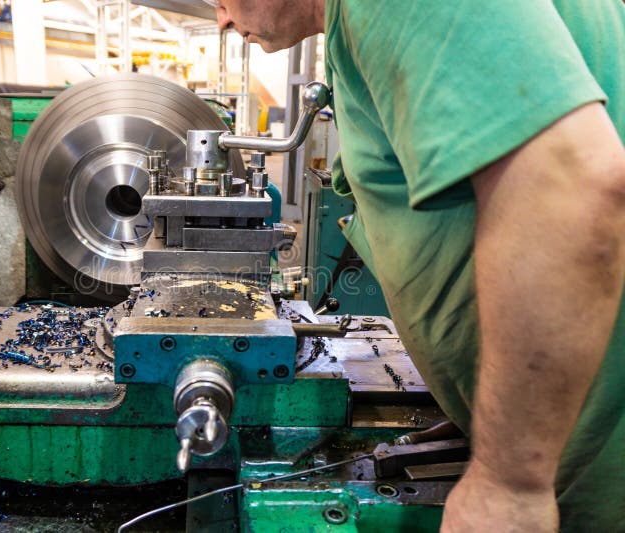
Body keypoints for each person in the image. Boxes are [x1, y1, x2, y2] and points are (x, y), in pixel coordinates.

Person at [206, 1, 625, 531]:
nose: (221, 18)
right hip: (568, 413)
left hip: (598, 451)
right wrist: (497, 397)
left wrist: (509, 481)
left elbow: (569, 187)